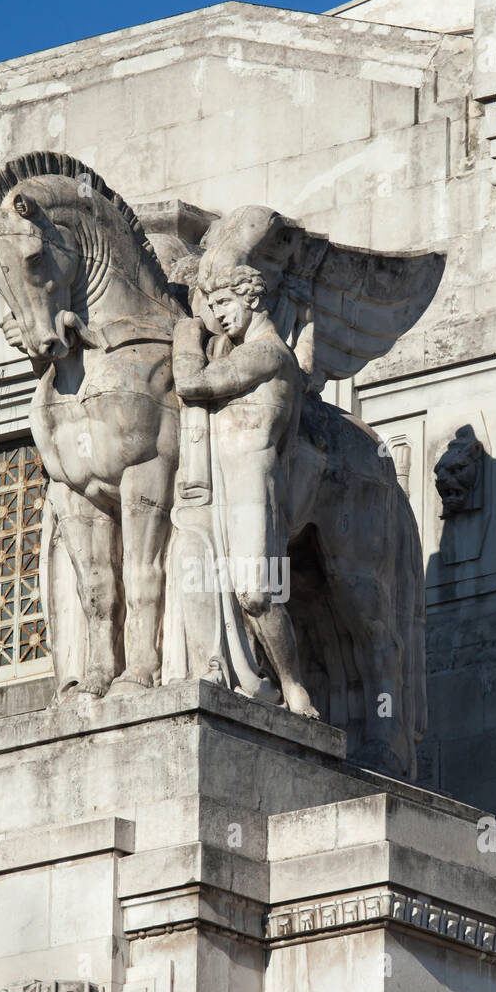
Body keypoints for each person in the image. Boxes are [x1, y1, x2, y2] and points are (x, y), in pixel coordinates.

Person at [171, 265, 318, 718]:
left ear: (252, 299)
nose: (217, 316)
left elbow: (193, 383)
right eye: (211, 307)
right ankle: (239, 673)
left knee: (256, 592)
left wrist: (184, 333)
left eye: (224, 305)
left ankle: (294, 685)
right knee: (213, 582)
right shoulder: (237, 351)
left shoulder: (268, 354)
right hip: (216, 485)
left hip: (255, 484)